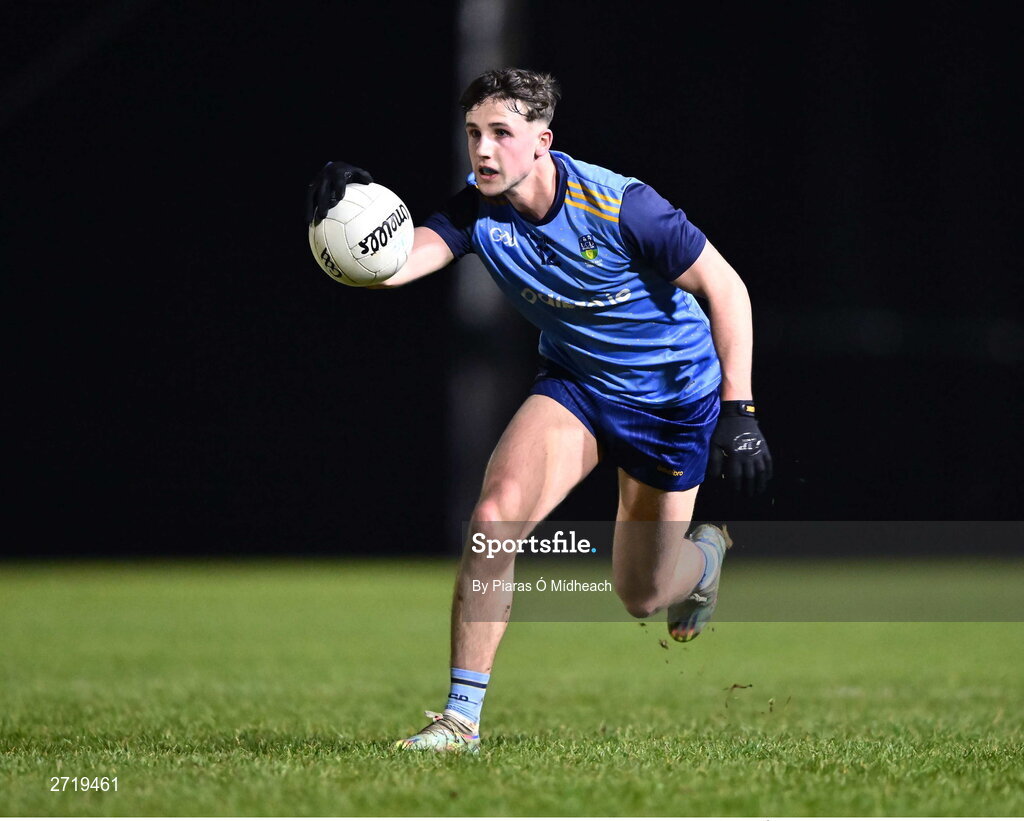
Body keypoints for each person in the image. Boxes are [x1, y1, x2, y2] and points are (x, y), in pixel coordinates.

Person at [304, 67, 772, 753]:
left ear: (542, 141)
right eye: (473, 134)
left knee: (641, 595)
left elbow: (726, 288)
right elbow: (396, 263)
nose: (484, 151)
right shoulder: (476, 211)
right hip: (578, 385)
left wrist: (741, 408)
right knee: (494, 519)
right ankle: (460, 720)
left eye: (501, 133)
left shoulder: (624, 207)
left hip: (671, 400)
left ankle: (705, 558)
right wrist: (338, 213)